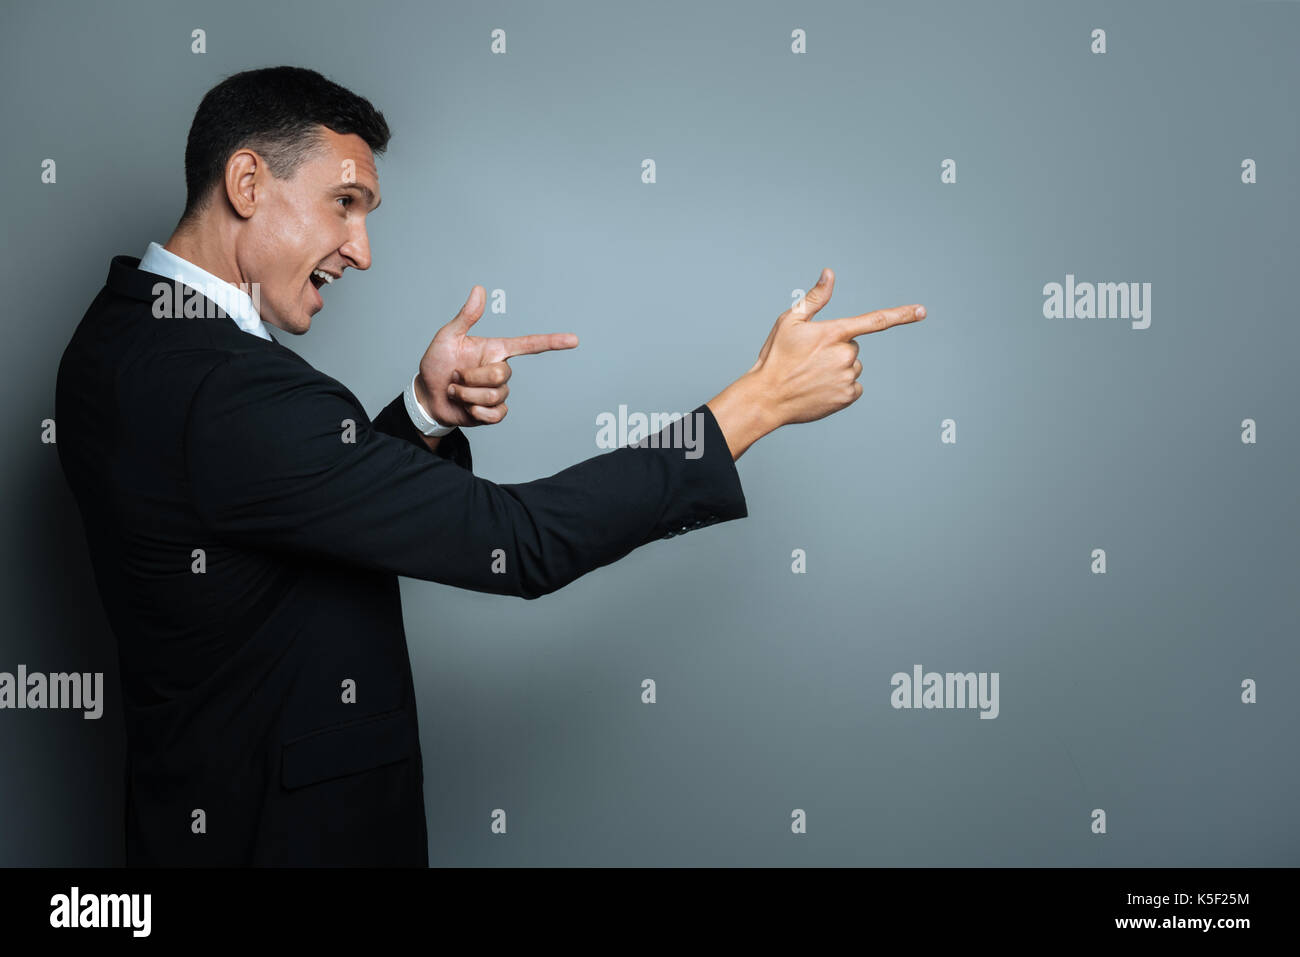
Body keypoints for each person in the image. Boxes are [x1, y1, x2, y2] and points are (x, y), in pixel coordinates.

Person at [54, 66, 926, 866]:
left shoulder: (114, 338)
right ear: (247, 183)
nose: (362, 250)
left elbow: (277, 526)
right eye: (345, 203)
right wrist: (755, 405)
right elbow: (521, 540)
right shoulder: (229, 391)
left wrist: (424, 413)